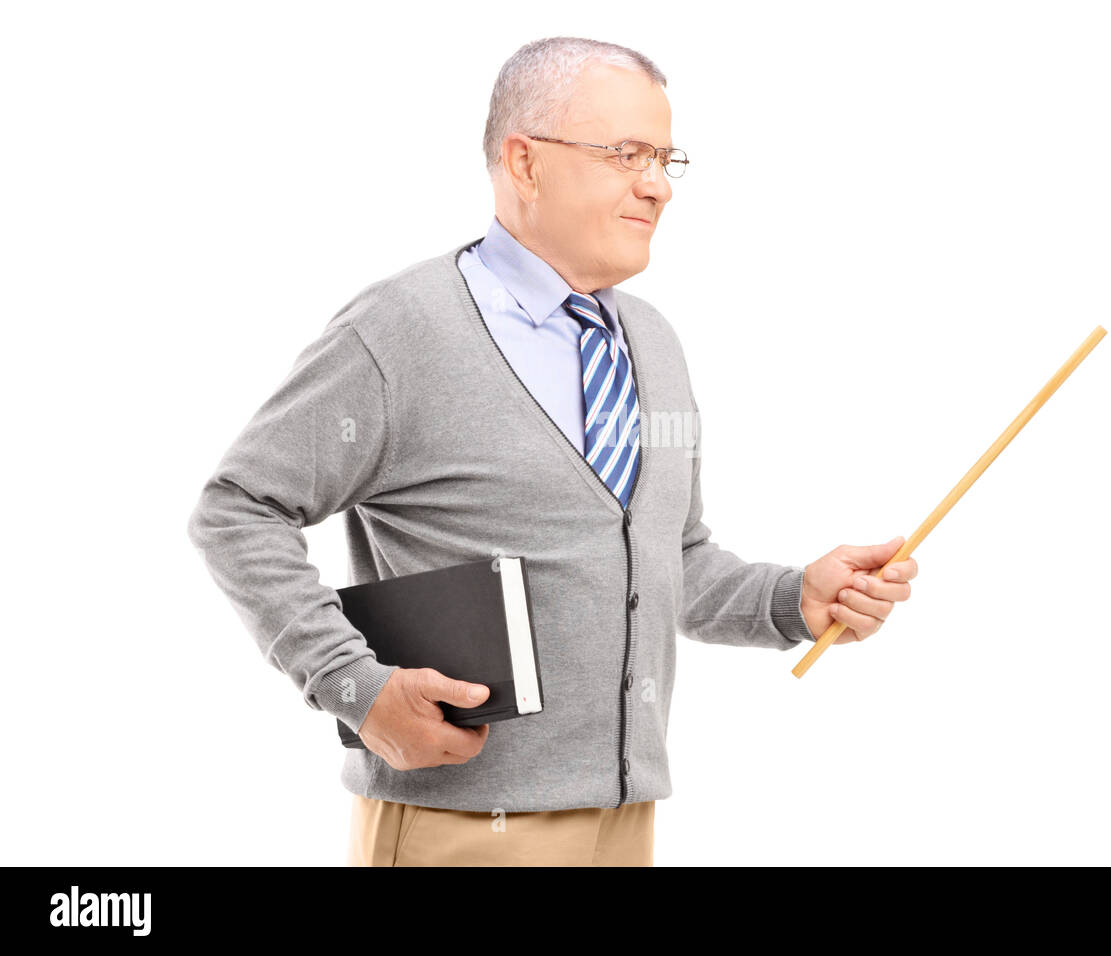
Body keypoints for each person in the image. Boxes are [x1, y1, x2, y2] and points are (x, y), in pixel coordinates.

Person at [186, 35, 918, 867]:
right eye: (627, 154)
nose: (658, 185)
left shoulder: (652, 342)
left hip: (625, 820)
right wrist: (357, 690)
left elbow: (672, 558)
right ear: (524, 163)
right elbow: (238, 508)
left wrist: (795, 601)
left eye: (667, 158)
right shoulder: (402, 329)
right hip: (461, 831)